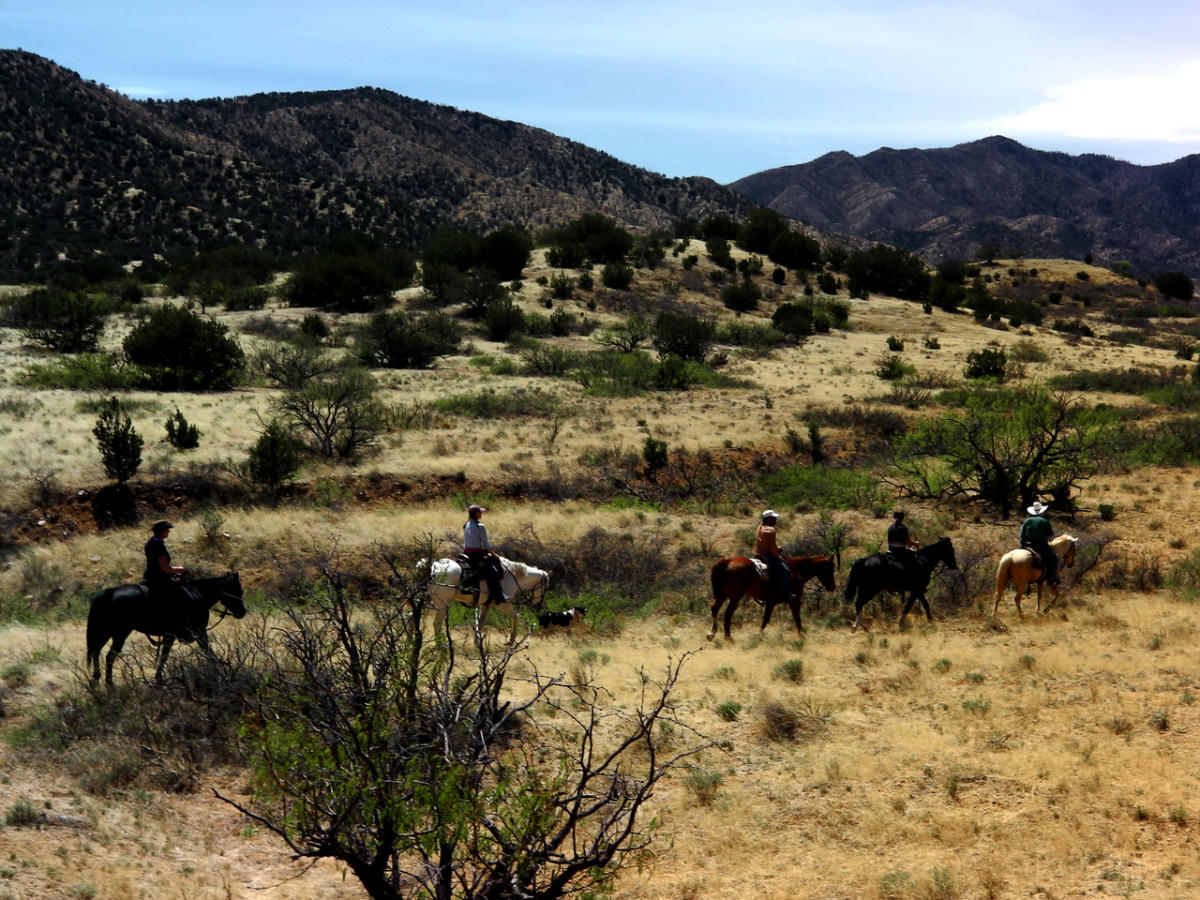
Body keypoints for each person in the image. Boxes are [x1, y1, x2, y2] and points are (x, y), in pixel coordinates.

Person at [142, 520, 190, 634]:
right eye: (167, 530)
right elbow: (165, 568)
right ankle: (178, 626)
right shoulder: (158, 545)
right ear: (162, 532)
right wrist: (181, 570)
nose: (169, 531)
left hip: (151, 576)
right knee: (182, 596)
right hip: (160, 578)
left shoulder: (150, 542)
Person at [463, 504, 507, 603]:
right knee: (494, 574)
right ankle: (498, 596)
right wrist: (495, 555)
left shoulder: (466, 524)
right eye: (480, 512)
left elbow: (465, 543)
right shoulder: (480, 526)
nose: (481, 513)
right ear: (476, 513)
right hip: (477, 555)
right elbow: (486, 544)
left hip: (466, 553)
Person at [755, 509, 791, 606]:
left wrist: (777, 547)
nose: (775, 519)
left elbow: (765, 542)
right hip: (767, 555)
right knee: (785, 571)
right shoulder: (771, 530)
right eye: (774, 518)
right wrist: (778, 557)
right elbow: (772, 547)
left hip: (759, 554)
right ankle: (782, 593)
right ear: (769, 519)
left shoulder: (760, 527)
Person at [1019, 500, 1058, 587]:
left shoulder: (1027, 521)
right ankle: (1051, 578)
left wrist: (1022, 544)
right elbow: (1051, 534)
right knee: (1054, 558)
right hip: (1041, 545)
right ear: (1042, 511)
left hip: (1027, 545)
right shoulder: (1044, 521)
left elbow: (1022, 535)